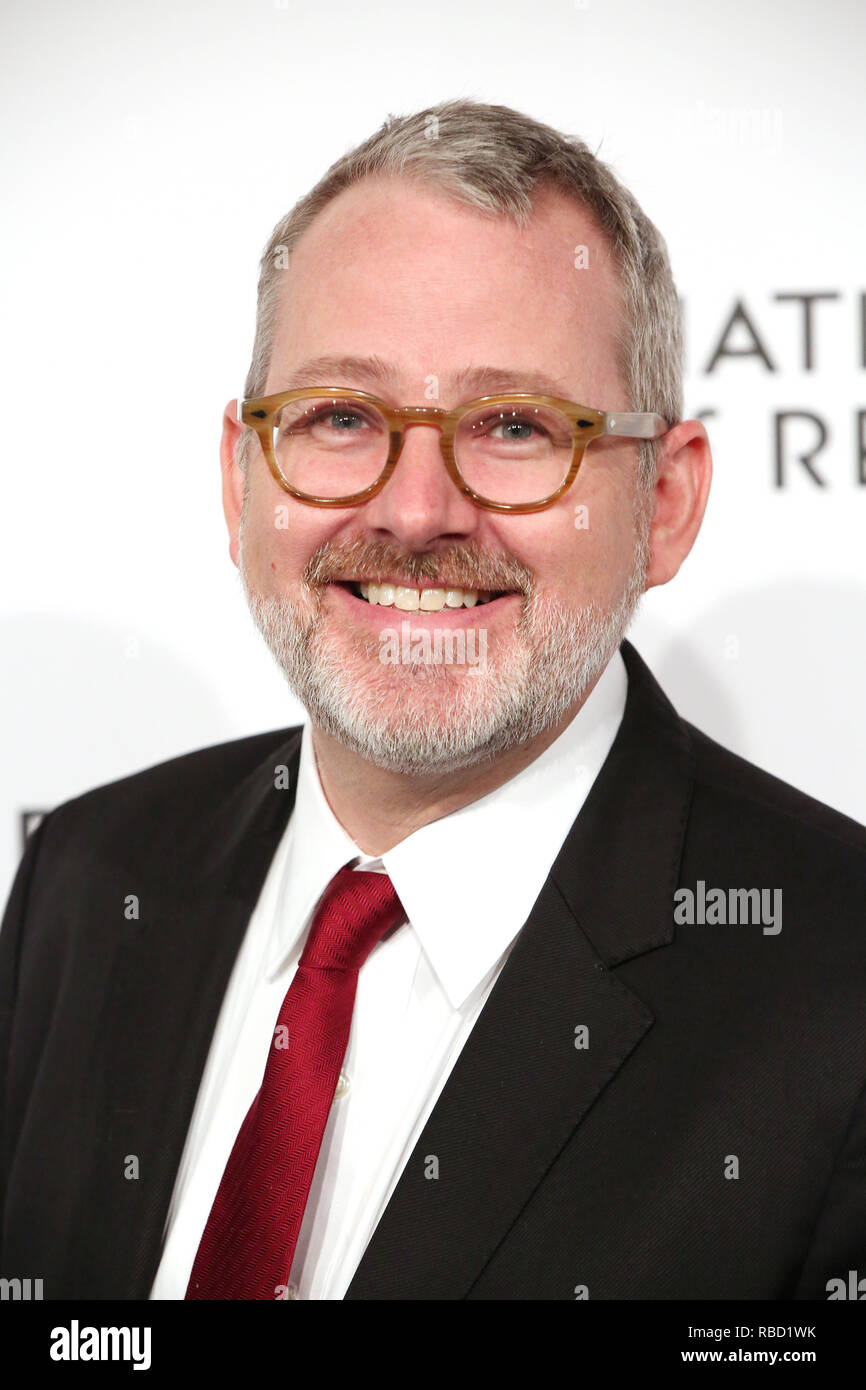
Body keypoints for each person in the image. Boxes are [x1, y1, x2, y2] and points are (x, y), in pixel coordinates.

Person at [2, 99, 865, 1302]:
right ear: (239, 478)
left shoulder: (836, 986)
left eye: (513, 425)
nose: (414, 513)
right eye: (340, 417)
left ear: (662, 504)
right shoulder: (89, 872)